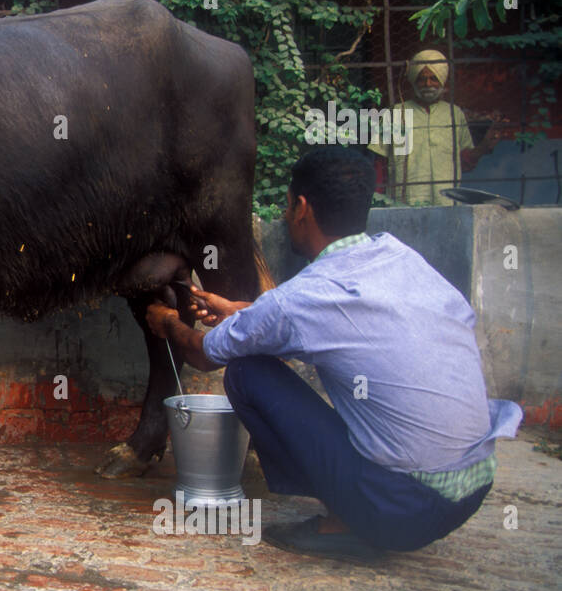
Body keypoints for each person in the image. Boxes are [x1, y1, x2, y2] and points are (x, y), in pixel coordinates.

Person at [145, 147, 521, 561]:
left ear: (303, 208)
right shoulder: (398, 258)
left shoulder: (306, 296)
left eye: (288, 206)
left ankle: (345, 521)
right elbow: (329, 315)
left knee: (247, 371)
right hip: (472, 489)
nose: (287, 216)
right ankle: (359, 508)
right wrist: (237, 311)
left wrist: (165, 320)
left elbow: (203, 353)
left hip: (404, 510)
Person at [368, 49, 478, 206]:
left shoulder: (454, 113)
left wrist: (485, 148)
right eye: (422, 79)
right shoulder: (396, 113)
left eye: (434, 78)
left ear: (442, 80)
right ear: (413, 81)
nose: (428, 84)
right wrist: (377, 200)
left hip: (446, 201)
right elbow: (380, 164)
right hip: (405, 201)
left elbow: (465, 160)